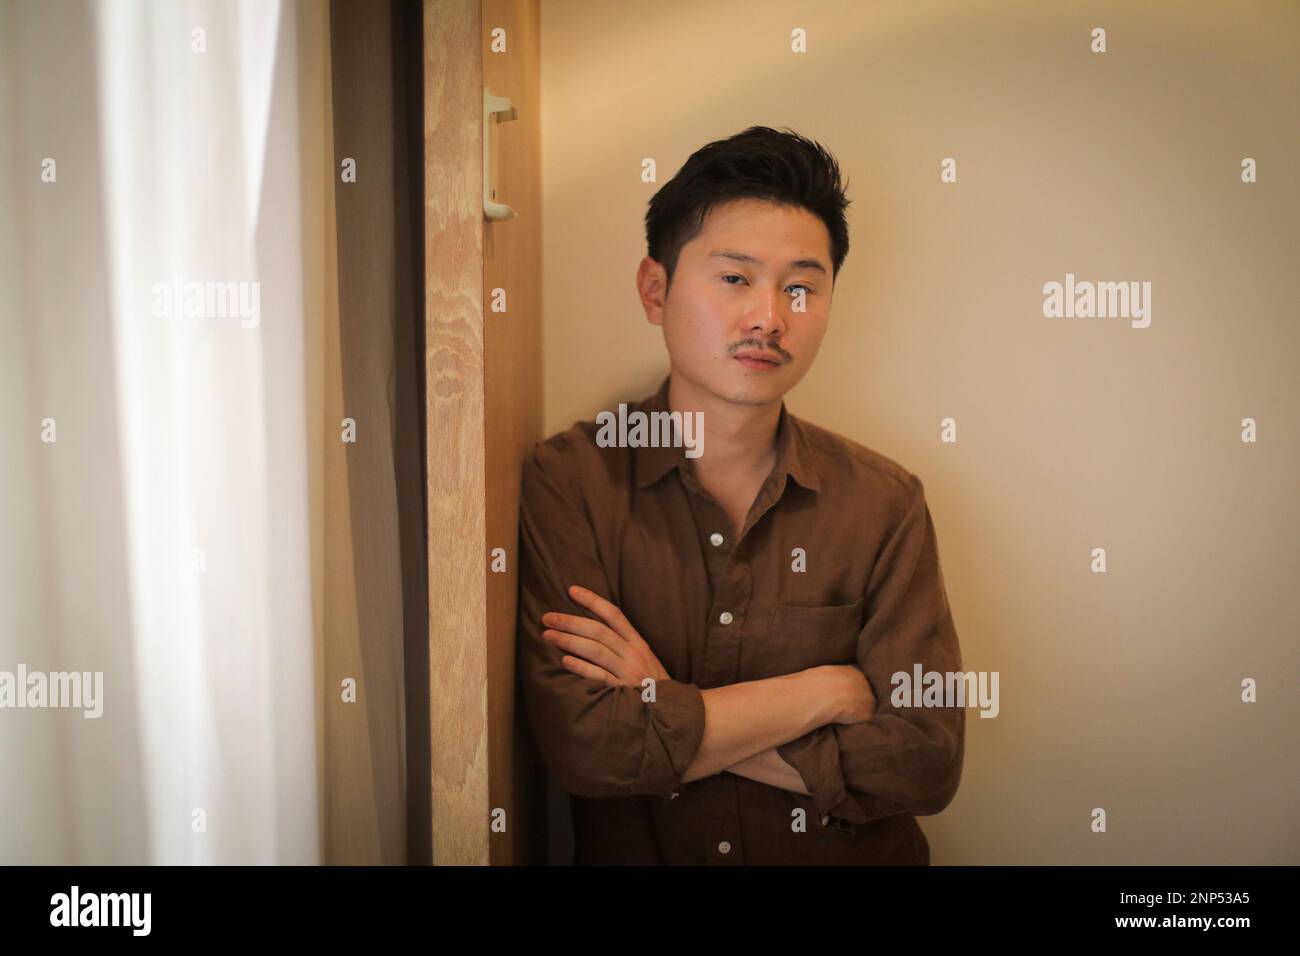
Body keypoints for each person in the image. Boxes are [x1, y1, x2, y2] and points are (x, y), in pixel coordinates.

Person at [516, 126, 964, 865]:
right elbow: (587, 748)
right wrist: (819, 693)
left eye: (800, 287)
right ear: (654, 291)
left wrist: (662, 703)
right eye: (734, 279)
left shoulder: (885, 504)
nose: (769, 317)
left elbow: (925, 761)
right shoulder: (573, 482)